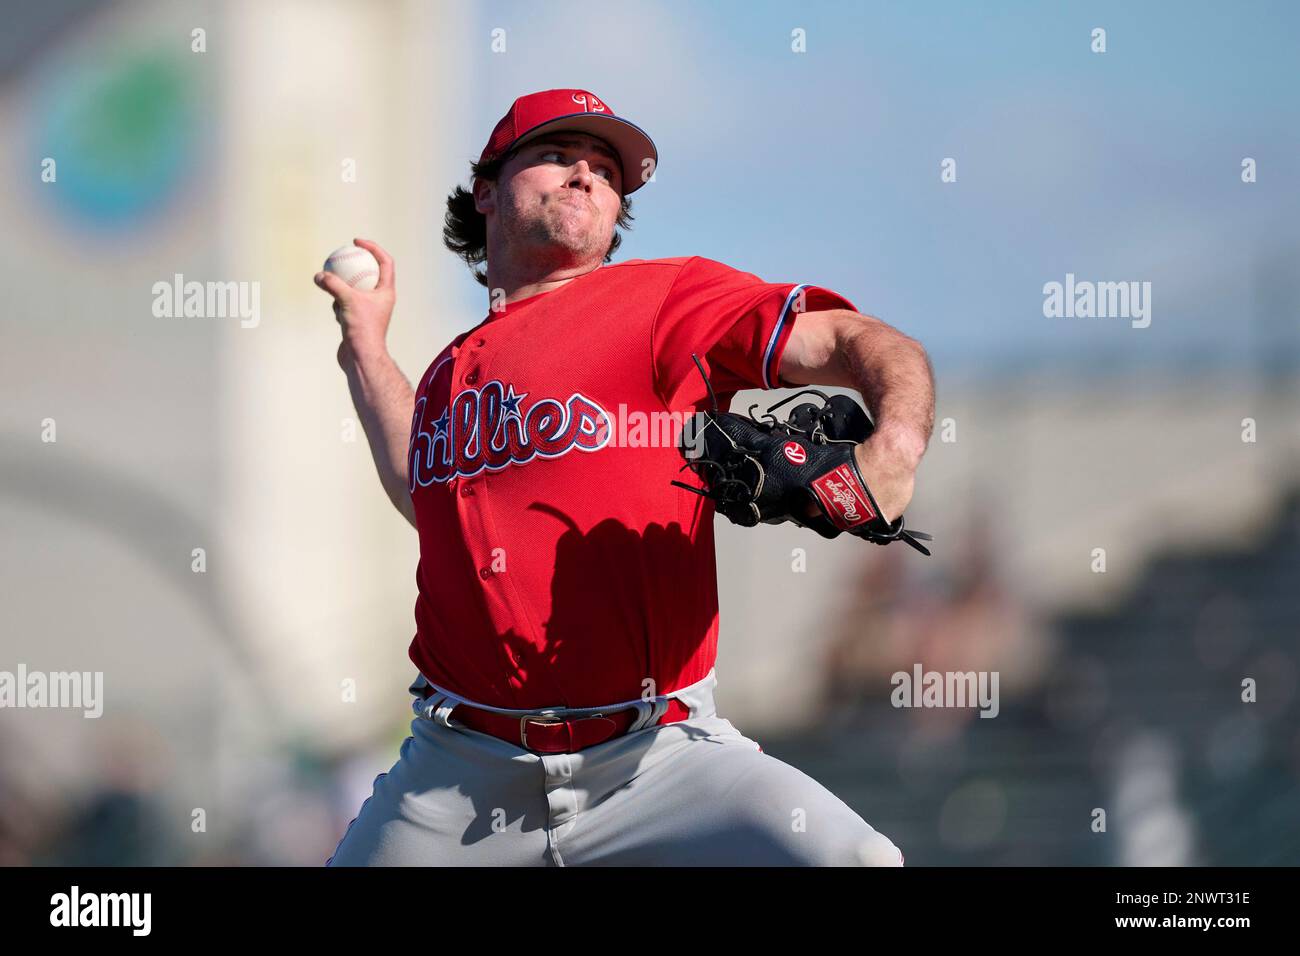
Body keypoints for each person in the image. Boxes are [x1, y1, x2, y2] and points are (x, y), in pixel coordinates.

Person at [314, 88, 934, 866]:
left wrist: (895, 449)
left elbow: (857, 338)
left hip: (657, 758)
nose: (584, 174)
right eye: (554, 155)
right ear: (485, 191)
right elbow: (422, 491)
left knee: (858, 861)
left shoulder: (664, 300)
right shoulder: (446, 374)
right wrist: (365, 347)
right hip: (457, 774)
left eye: (605, 170)